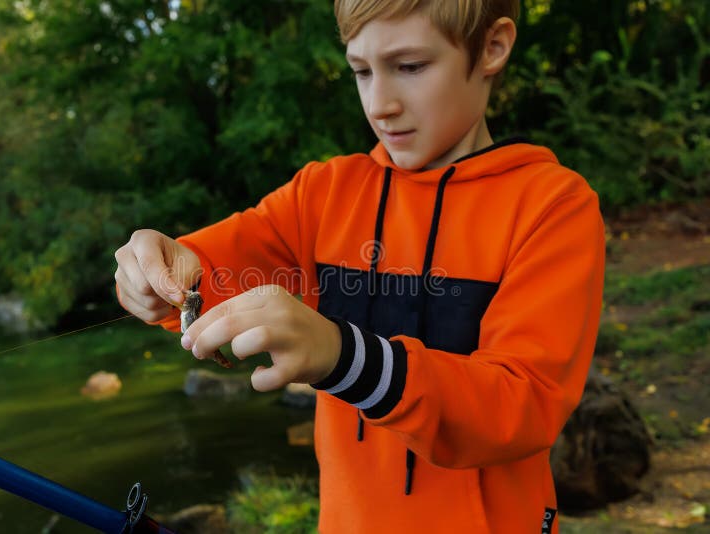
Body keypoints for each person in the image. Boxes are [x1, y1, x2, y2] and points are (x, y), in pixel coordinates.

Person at [114, 0, 605, 531]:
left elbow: (521, 406)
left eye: (410, 67)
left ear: (492, 47)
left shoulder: (552, 206)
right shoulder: (323, 196)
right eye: (361, 71)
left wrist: (343, 356)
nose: (380, 104)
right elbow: (204, 280)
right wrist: (154, 275)